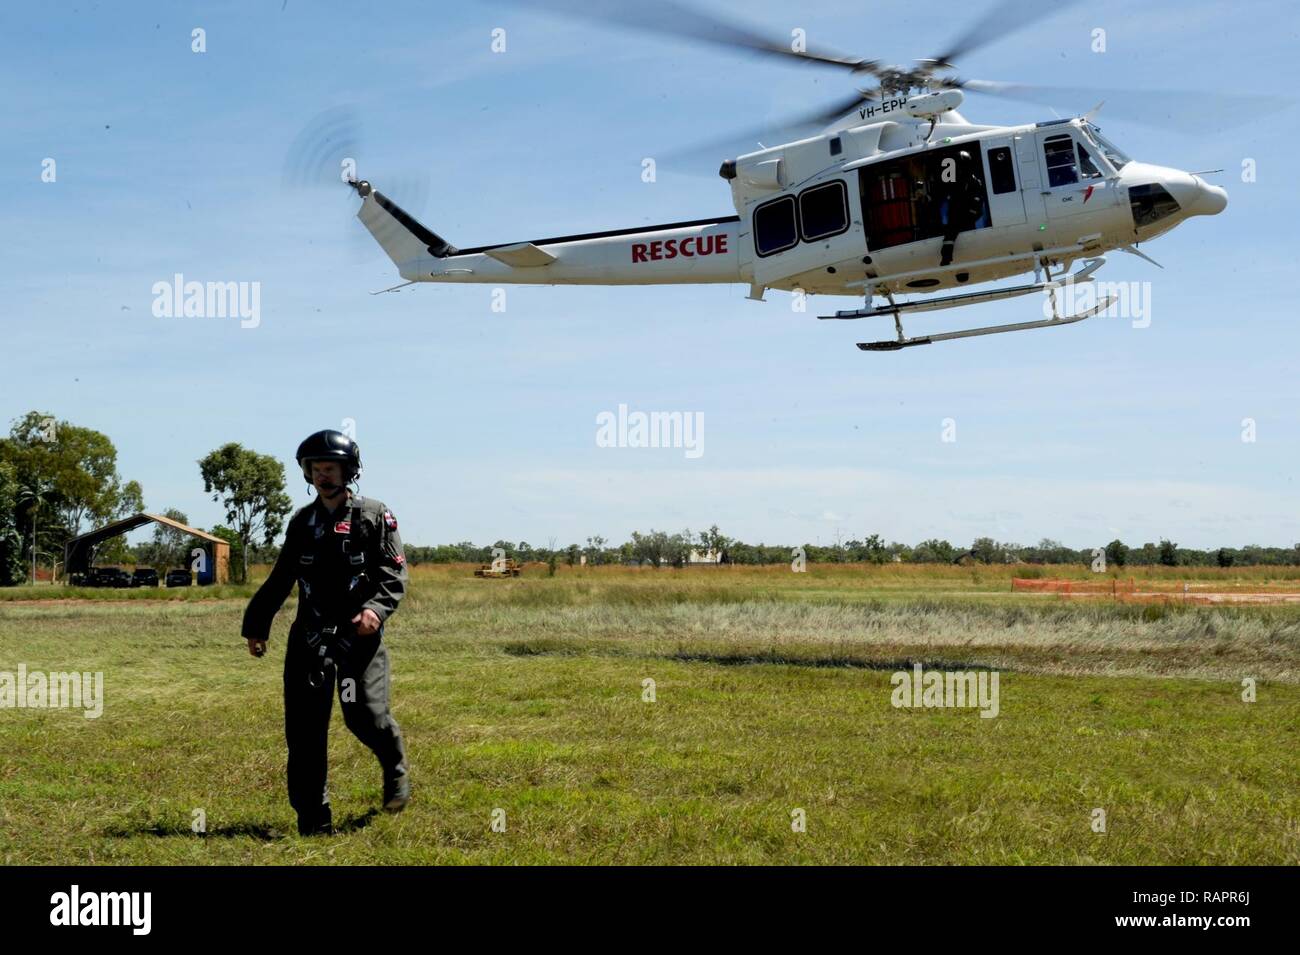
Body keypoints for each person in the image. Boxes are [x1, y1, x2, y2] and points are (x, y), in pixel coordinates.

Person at [242, 430, 410, 836]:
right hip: (310, 639)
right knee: (304, 731)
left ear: (348, 471)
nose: (323, 476)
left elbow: (394, 573)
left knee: (365, 717)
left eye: (330, 468)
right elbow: (282, 577)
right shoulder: (302, 522)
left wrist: (375, 610)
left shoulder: (373, 515)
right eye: (315, 469)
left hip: (358, 638)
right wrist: (257, 624)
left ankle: (395, 767)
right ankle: (314, 821)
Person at [938, 150, 986, 268]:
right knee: (951, 228)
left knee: (951, 232)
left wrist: (969, 211)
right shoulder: (957, 178)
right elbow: (948, 191)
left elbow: (975, 200)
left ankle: (946, 257)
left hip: (969, 212)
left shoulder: (973, 181)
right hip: (959, 210)